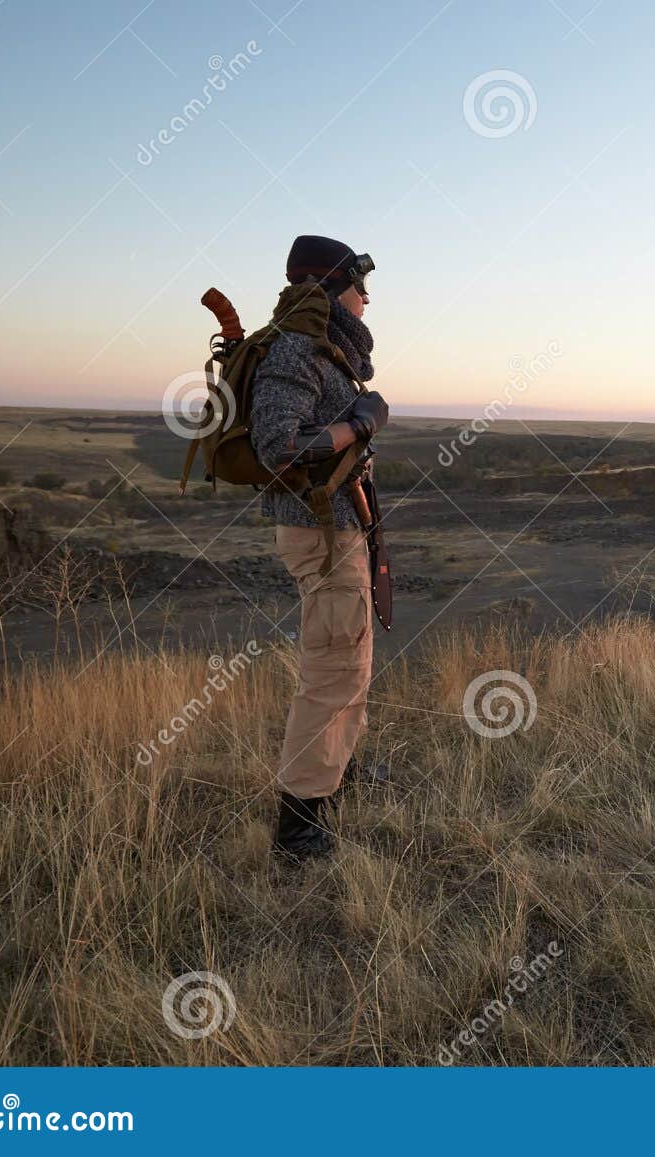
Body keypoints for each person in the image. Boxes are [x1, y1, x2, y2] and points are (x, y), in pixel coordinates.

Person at [251, 234, 390, 862]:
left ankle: (335, 771)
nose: (368, 297)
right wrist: (359, 422)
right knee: (333, 669)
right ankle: (299, 824)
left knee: (350, 661)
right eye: (360, 285)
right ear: (335, 288)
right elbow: (277, 448)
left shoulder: (326, 350)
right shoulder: (299, 349)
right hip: (321, 536)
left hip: (339, 529)